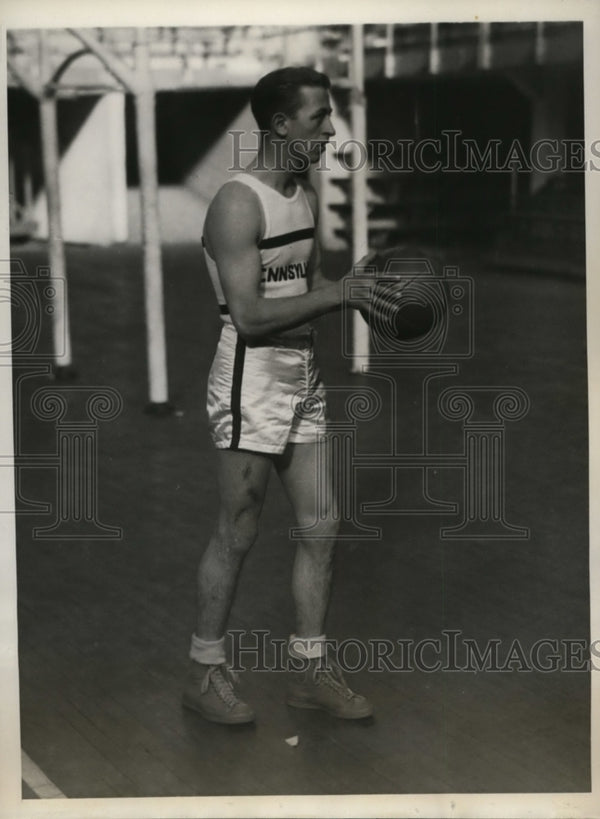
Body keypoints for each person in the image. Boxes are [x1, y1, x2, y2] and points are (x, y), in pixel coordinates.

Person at [183, 66, 374, 724]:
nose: (329, 129)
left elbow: (312, 278)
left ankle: (309, 670)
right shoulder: (238, 202)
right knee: (238, 531)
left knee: (322, 527)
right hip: (250, 374)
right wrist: (341, 294)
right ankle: (205, 672)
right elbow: (250, 315)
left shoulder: (302, 191)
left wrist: (367, 300)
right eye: (319, 117)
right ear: (279, 124)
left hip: (302, 373)